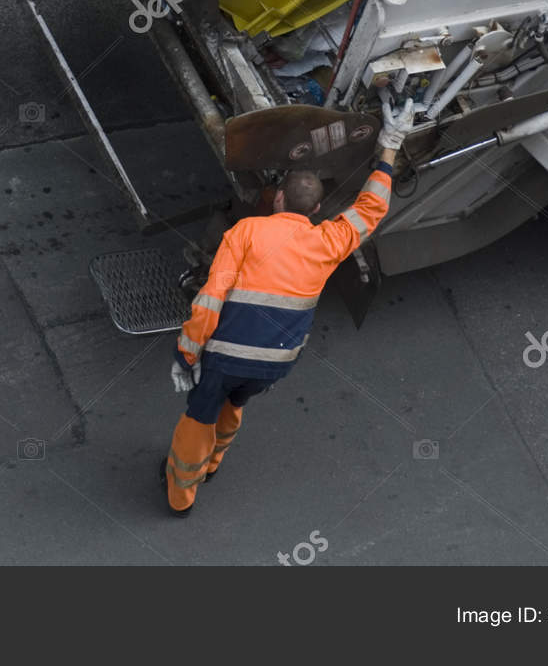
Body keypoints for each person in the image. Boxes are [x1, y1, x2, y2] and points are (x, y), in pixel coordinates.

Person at [160, 100, 414, 515]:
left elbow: (209, 300)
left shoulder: (246, 232)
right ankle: (213, 465)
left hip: (225, 356)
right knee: (235, 404)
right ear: (315, 210)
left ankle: (180, 493)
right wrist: (389, 147)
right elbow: (372, 210)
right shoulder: (329, 241)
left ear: (278, 199)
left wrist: (186, 354)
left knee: (198, 416)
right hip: (276, 363)